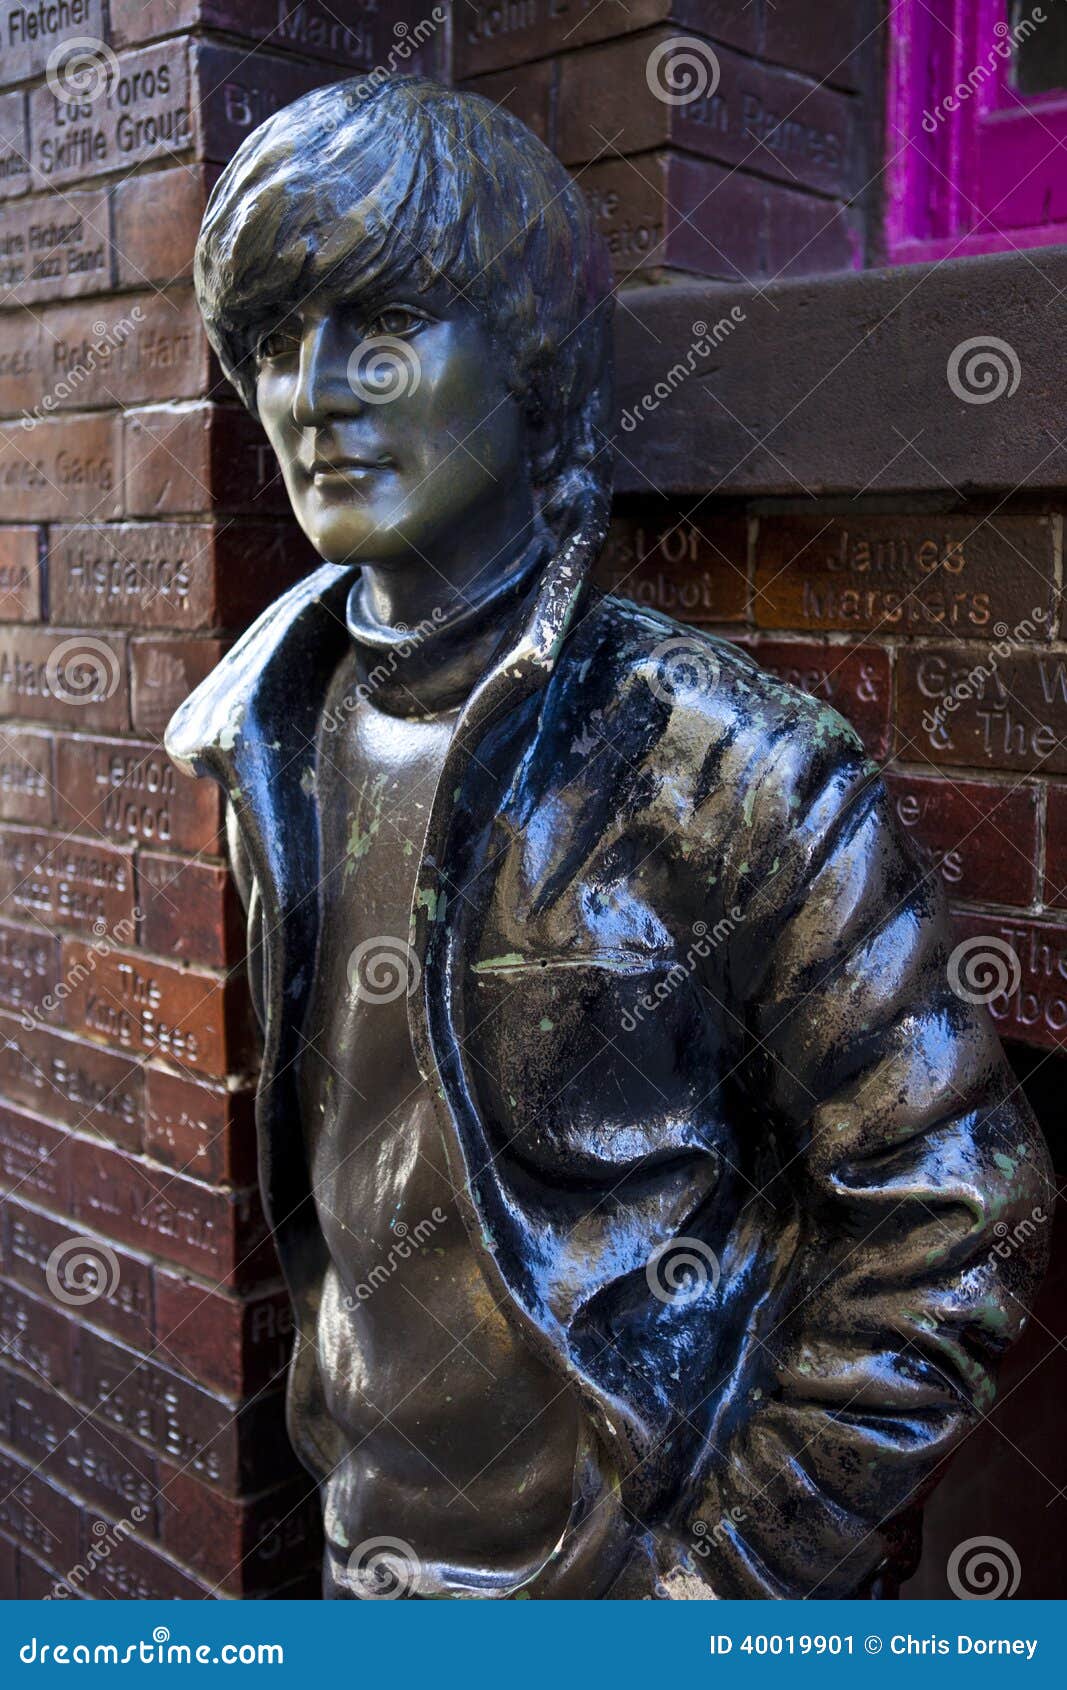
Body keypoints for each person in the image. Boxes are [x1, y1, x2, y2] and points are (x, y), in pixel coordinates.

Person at [167, 75, 1051, 1600]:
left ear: (528, 356)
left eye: (385, 328)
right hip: (368, 1567)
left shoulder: (730, 765)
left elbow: (960, 1210)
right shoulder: (264, 733)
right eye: (275, 341)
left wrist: (718, 1583)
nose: (315, 390)